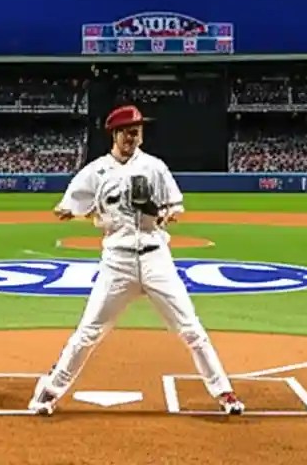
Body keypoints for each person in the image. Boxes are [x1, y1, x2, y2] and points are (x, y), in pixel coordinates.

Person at [27, 104, 245, 416]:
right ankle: (49, 390)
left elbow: (175, 207)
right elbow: (65, 208)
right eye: (127, 132)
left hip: (156, 259)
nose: (133, 137)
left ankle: (224, 391)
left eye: (137, 131)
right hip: (117, 262)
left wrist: (161, 213)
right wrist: (86, 212)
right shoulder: (95, 172)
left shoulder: (155, 167)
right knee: (88, 332)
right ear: (114, 134)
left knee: (191, 329)